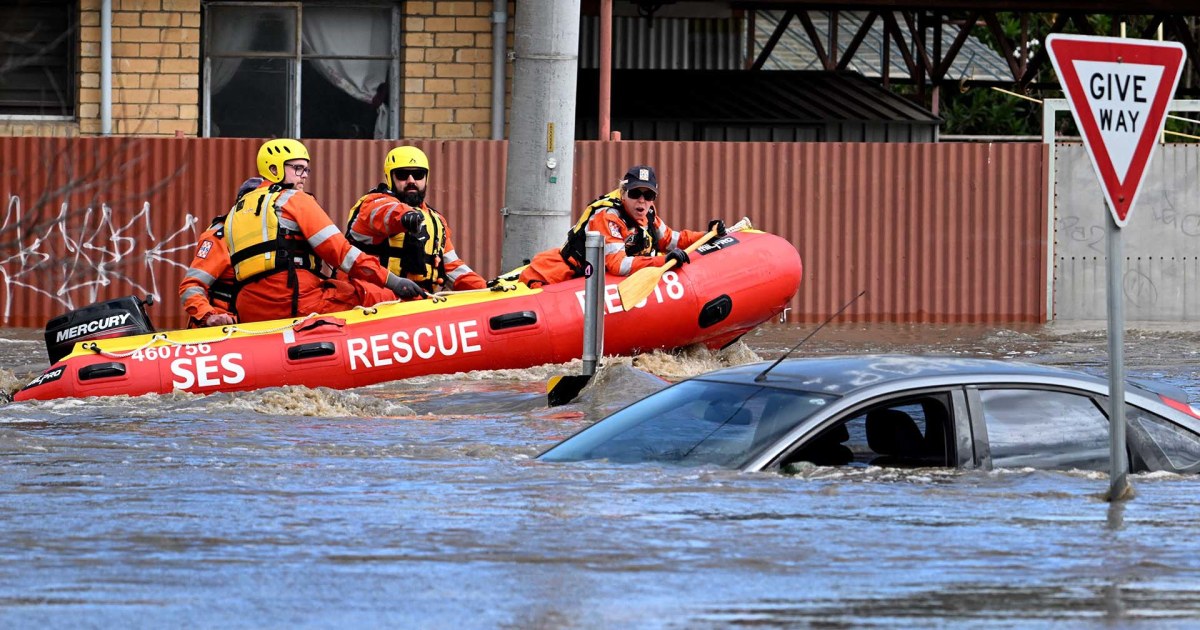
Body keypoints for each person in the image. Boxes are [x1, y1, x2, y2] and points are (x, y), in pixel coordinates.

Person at [224, 139, 427, 323]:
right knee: (378, 295)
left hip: (249, 307)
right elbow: (340, 252)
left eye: (306, 170)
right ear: (274, 169)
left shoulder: (236, 212)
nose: (304, 176)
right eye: (297, 168)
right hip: (294, 299)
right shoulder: (294, 199)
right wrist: (393, 281)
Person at [519, 164, 726, 287]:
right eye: (635, 194)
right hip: (557, 276)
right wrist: (662, 262)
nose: (642, 201)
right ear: (623, 193)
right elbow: (618, 264)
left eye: (648, 195)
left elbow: (672, 240)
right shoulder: (607, 216)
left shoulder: (648, 217)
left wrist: (710, 234)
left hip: (587, 280)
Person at [345, 145, 486, 293]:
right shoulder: (373, 203)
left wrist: (485, 288)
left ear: (426, 178)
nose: (411, 181)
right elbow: (386, 213)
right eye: (402, 175)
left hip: (419, 303)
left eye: (418, 175)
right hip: (372, 302)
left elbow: (453, 267)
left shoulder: (436, 220)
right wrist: (406, 216)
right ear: (389, 177)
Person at [178, 177, 261, 328]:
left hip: (254, 327)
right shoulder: (219, 238)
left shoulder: (269, 238)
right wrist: (209, 316)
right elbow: (191, 287)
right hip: (221, 329)